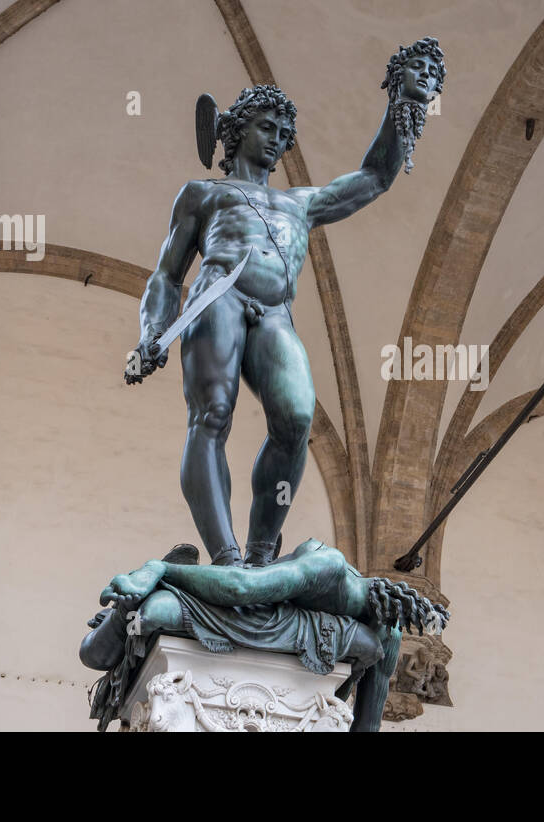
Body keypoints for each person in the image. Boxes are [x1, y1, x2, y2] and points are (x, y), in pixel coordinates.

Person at [124, 38, 447, 570]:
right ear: (237, 130)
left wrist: (401, 103)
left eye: (282, 132)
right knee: (212, 415)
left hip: (275, 314)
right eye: (265, 127)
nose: (276, 139)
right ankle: (226, 557)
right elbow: (165, 274)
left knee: (296, 420)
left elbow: (375, 178)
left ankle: (259, 553)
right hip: (217, 298)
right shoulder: (205, 194)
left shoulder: (302, 204)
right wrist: (152, 331)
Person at [81, 539, 448, 732]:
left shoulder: (384, 635)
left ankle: (159, 582)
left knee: (143, 621)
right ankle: (161, 572)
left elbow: (367, 724)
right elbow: (242, 588)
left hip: (274, 623)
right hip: (249, 602)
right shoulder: (331, 571)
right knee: (137, 625)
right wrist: (158, 571)